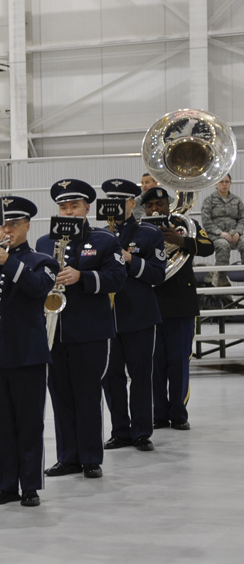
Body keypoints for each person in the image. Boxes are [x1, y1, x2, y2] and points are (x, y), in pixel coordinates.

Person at [38, 179, 126, 480]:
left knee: (88, 394)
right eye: (63, 207)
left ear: (87, 207)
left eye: (74, 206)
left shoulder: (104, 240)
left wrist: (83, 277)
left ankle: (90, 458)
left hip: (89, 331)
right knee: (60, 395)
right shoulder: (44, 243)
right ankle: (68, 457)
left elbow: (117, 278)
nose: (68, 211)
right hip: (54, 332)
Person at [0, 197, 58, 507]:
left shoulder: (41, 260)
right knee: (1, 424)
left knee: (29, 422)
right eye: (3, 224)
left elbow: (37, 289)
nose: (6, 230)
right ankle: (6, 483)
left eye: (13, 224)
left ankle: (30, 485)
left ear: (27, 226)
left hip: (27, 356)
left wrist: (7, 261)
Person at [99, 180, 166, 453]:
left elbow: (157, 274)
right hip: (107, 318)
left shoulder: (149, 233)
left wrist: (129, 258)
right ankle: (120, 431)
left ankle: (141, 432)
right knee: (111, 376)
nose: (114, 206)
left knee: (140, 375)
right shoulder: (100, 236)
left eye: (121, 201)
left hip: (139, 314)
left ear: (131, 203)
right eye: (110, 201)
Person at [144, 187, 214, 430]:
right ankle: (159, 414)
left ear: (168, 204)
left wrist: (181, 240)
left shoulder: (187, 224)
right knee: (155, 363)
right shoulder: (141, 229)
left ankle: (179, 413)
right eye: (150, 205)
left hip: (181, 304)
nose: (155, 209)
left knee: (179, 362)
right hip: (150, 304)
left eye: (160, 204)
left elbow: (208, 247)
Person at [201, 174, 244, 286]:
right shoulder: (209, 200)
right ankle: (221, 277)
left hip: (234, 234)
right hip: (216, 235)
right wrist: (220, 233)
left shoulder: (237, 200)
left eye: (227, 182)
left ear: (230, 183)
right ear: (216, 183)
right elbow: (206, 221)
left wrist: (238, 232)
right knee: (223, 245)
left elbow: (242, 219)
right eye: (221, 182)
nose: (224, 184)